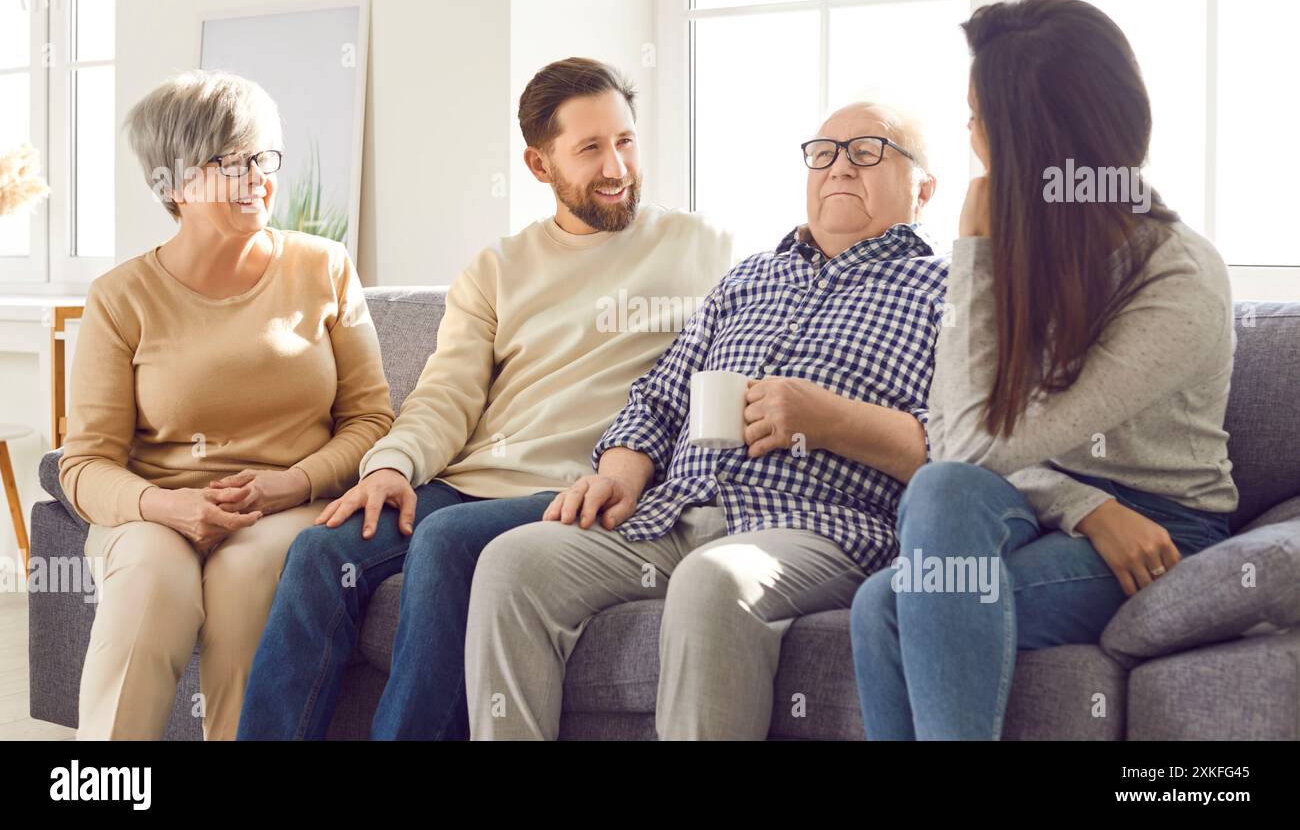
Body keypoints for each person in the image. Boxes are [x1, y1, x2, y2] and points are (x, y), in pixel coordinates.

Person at [237, 58, 733, 740]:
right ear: (538, 164)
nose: (616, 165)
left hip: (577, 490)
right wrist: (391, 467)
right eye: (590, 148)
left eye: (624, 140)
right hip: (468, 482)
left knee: (445, 542)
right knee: (318, 551)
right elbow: (446, 394)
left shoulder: (702, 248)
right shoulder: (498, 268)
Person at [465, 101, 948, 740]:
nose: (838, 167)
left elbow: (960, 450)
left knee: (713, 580)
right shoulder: (748, 279)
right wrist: (620, 475)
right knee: (512, 562)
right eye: (824, 152)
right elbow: (659, 400)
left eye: (866, 152)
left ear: (924, 189)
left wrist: (826, 420)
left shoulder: (948, 289)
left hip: (820, 526)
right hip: (676, 512)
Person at [849, 0, 1238, 740]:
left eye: (978, 120)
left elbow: (977, 442)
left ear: (1031, 143)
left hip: (1161, 528)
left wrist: (973, 249)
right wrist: (1083, 505)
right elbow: (954, 441)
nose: (969, 138)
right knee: (941, 493)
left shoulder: (1179, 280)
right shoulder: (1023, 249)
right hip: (1047, 508)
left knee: (887, 606)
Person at [61, 70, 394, 740]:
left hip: (287, 504)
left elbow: (372, 420)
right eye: (230, 163)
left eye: (263, 158)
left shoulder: (324, 267)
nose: (257, 179)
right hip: (155, 509)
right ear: (175, 185)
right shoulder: (120, 296)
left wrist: (291, 483)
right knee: (152, 579)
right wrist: (171, 507)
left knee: (246, 576)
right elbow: (85, 464)